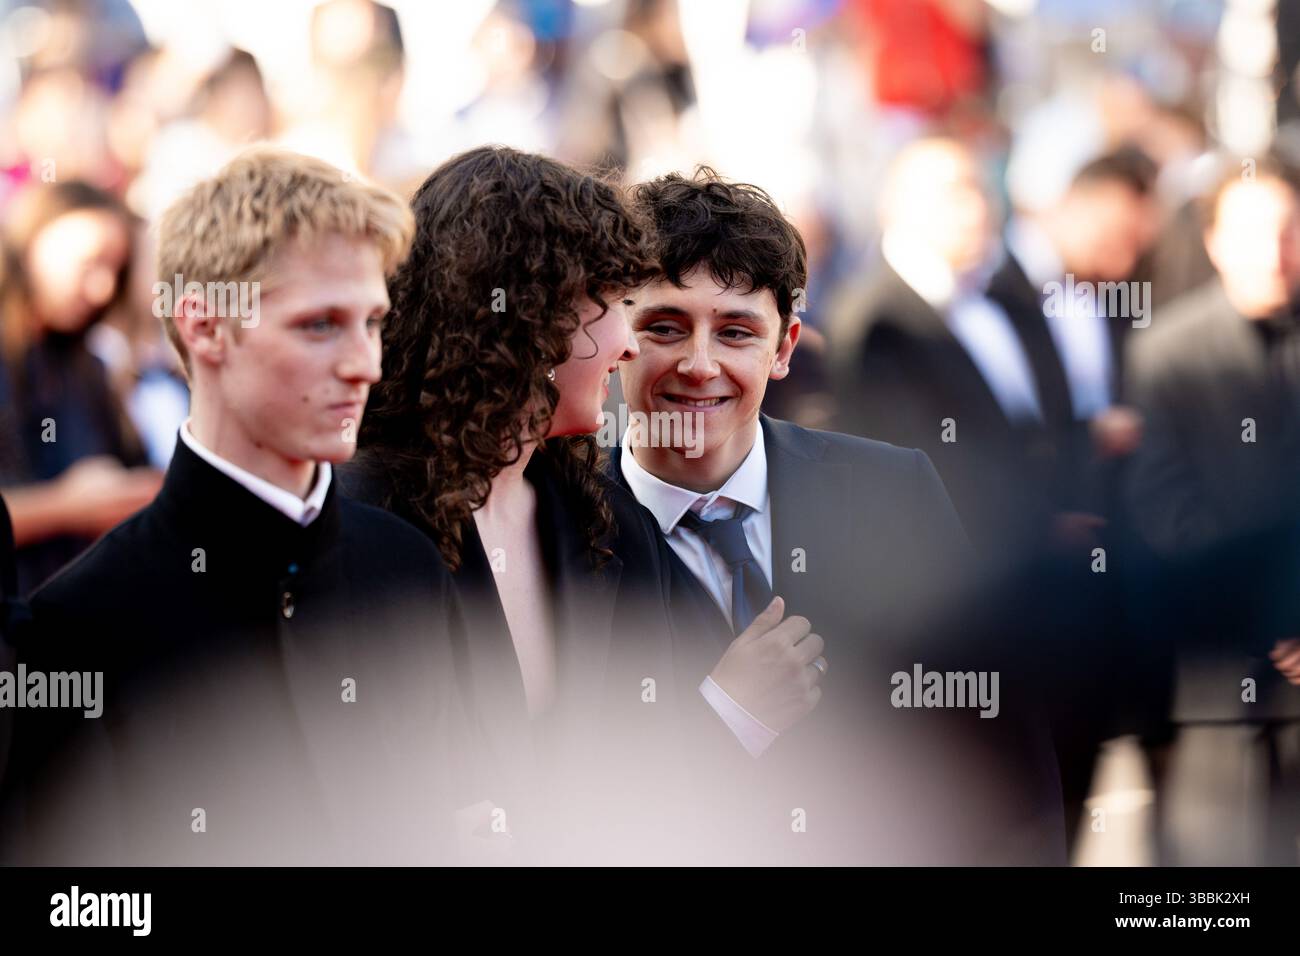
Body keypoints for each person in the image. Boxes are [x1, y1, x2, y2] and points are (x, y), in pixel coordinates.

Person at [3, 147, 467, 864]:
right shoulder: (79, 630)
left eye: (373, 321)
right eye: (320, 324)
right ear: (205, 326)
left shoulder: (408, 568)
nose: (364, 362)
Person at [614, 166, 1065, 863]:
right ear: (619, 335)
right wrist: (727, 719)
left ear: (786, 347)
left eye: (736, 333)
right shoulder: (563, 523)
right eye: (666, 328)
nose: (699, 365)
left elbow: (997, 737)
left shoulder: (891, 489)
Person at [1124, 156, 1300, 865]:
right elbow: (1165, 506)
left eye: (1289, 231)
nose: (1274, 252)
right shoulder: (1166, 352)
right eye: (1254, 232)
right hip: (1217, 682)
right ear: (1215, 241)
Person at [0, 182, 162, 596]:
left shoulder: (86, 367)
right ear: (37, 239)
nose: (102, 288)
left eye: (114, 270)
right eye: (90, 263)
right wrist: (65, 507)